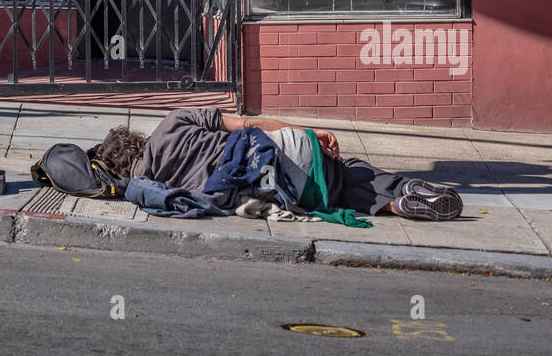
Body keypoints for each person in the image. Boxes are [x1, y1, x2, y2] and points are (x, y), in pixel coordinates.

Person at [95, 107, 463, 221]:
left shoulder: (144, 184)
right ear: (138, 138)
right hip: (275, 151)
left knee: (329, 193)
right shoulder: (173, 122)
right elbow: (249, 125)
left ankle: (395, 204)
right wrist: (307, 130)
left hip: (277, 189)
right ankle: (404, 189)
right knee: (343, 167)